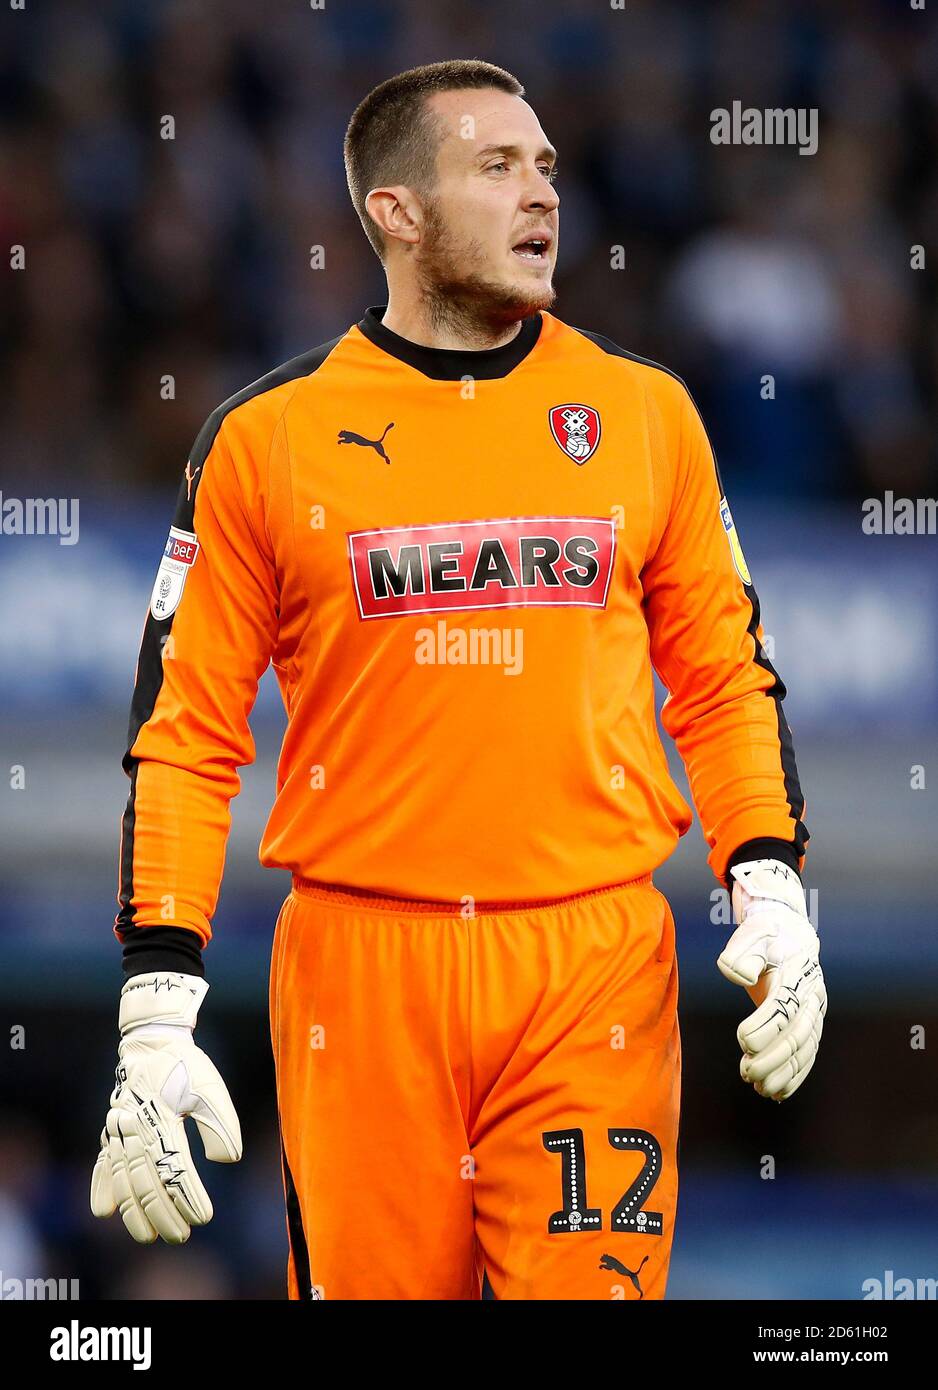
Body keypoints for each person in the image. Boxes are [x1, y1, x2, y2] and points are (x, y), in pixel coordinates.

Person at [90, 59, 826, 1301]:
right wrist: (158, 998)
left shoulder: (643, 414)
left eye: (545, 166)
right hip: (359, 970)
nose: (541, 193)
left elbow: (722, 674)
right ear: (398, 213)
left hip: (588, 956)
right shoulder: (266, 437)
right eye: (497, 167)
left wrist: (767, 880)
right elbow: (186, 732)